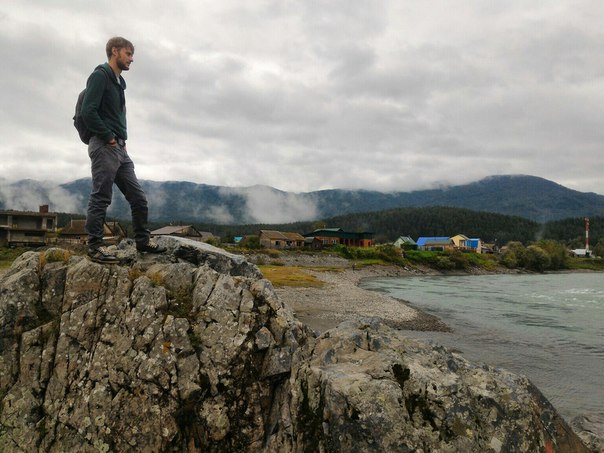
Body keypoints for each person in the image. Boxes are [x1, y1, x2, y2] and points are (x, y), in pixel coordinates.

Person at [82, 36, 165, 263]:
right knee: (101, 196)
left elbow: (115, 116)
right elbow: (88, 111)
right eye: (128, 54)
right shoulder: (100, 76)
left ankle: (143, 242)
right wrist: (109, 137)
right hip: (104, 145)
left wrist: (121, 140)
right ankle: (95, 247)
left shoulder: (119, 83)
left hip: (119, 148)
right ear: (115, 51)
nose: (131, 59)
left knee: (138, 198)